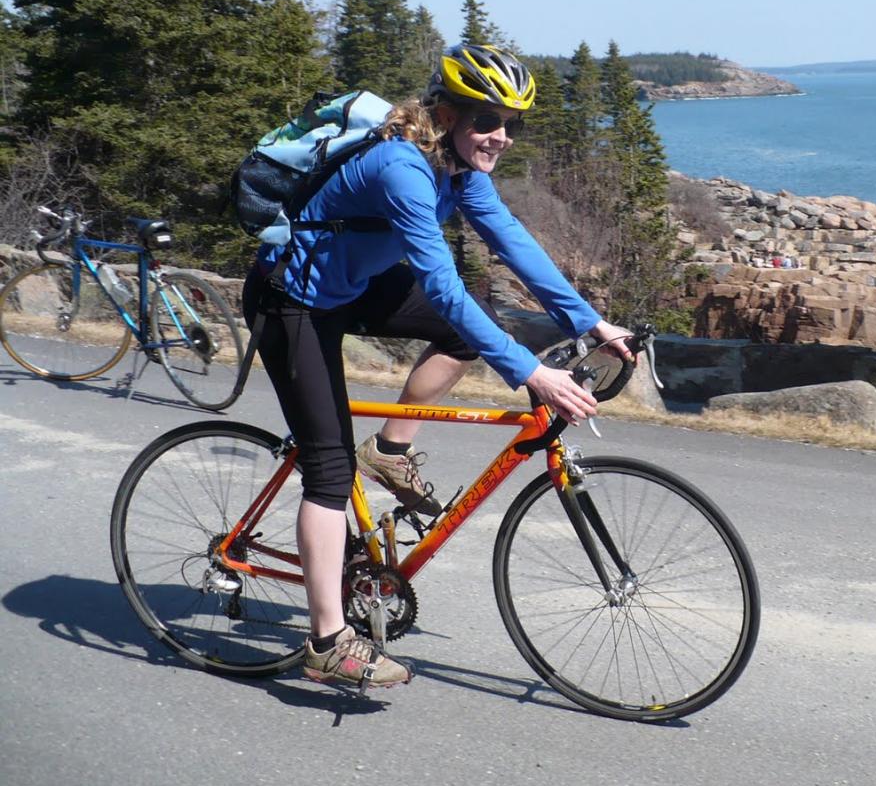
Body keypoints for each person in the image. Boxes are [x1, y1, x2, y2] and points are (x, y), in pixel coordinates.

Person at [242, 44, 632, 690]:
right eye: (486, 118)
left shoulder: (459, 169)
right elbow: (442, 285)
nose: (500, 135)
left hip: (350, 284)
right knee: (328, 472)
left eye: (513, 123)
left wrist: (589, 322)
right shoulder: (403, 168)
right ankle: (327, 640)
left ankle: (390, 451)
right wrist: (531, 373)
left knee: (464, 331)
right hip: (294, 301)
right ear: (448, 112)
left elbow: (512, 240)